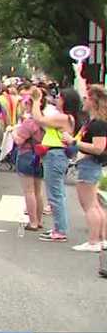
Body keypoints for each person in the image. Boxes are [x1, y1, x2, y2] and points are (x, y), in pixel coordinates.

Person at [32, 85, 80, 242]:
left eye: (60, 98)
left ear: (66, 101)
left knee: (55, 194)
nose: (57, 99)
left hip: (55, 155)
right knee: (56, 193)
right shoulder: (67, 118)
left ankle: (60, 230)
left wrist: (36, 100)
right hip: (56, 155)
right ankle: (59, 227)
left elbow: (38, 119)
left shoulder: (64, 118)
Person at [65, 85, 107, 252]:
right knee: (94, 204)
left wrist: (74, 142)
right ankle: (101, 239)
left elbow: (98, 148)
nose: (84, 100)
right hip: (89, 163)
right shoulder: (95, 122)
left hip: (89, 164)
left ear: (94, 102)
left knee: (89, 205)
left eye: (87, 98)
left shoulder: (98, 124)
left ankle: (93, 241)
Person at [13, 91, 46, 232]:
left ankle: (32, 222)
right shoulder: (45, 122)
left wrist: (13, 132)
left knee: (29, 191)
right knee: (38, 191)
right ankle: (39, 220)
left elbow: (19, 140)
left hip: (27, 155)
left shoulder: (29, 123)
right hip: (41, 155)